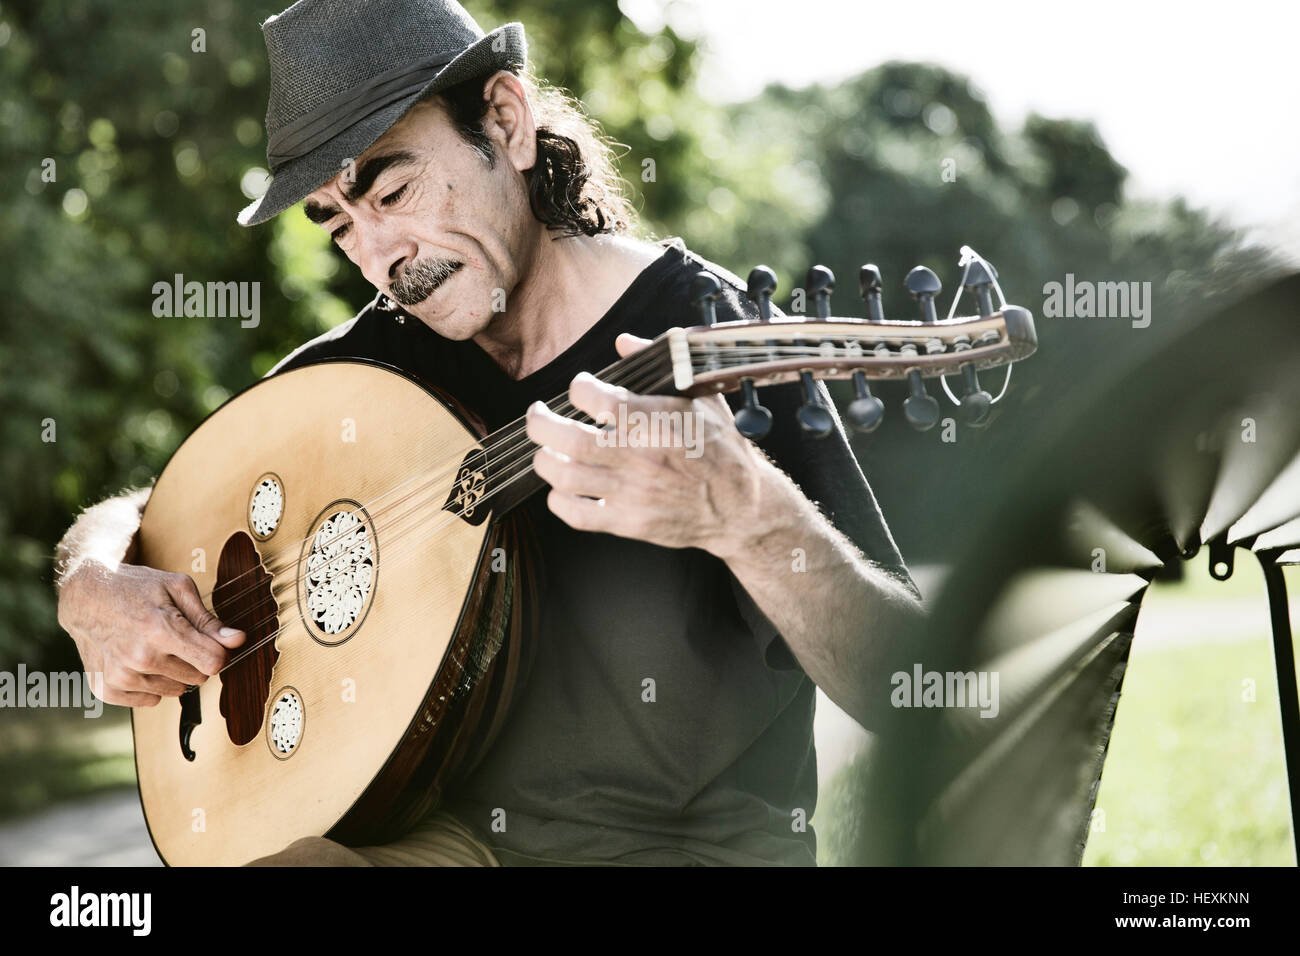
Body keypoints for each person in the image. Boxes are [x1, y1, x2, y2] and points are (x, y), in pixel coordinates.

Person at [54, 0, 923, 866]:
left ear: (505, 123)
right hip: (464, 844)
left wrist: (750, 516)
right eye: (340, 224)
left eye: (392, 190)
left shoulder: (708, 337)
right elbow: (160, 505)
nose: (379, 255)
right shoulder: (373, 367)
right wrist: (91, 583)